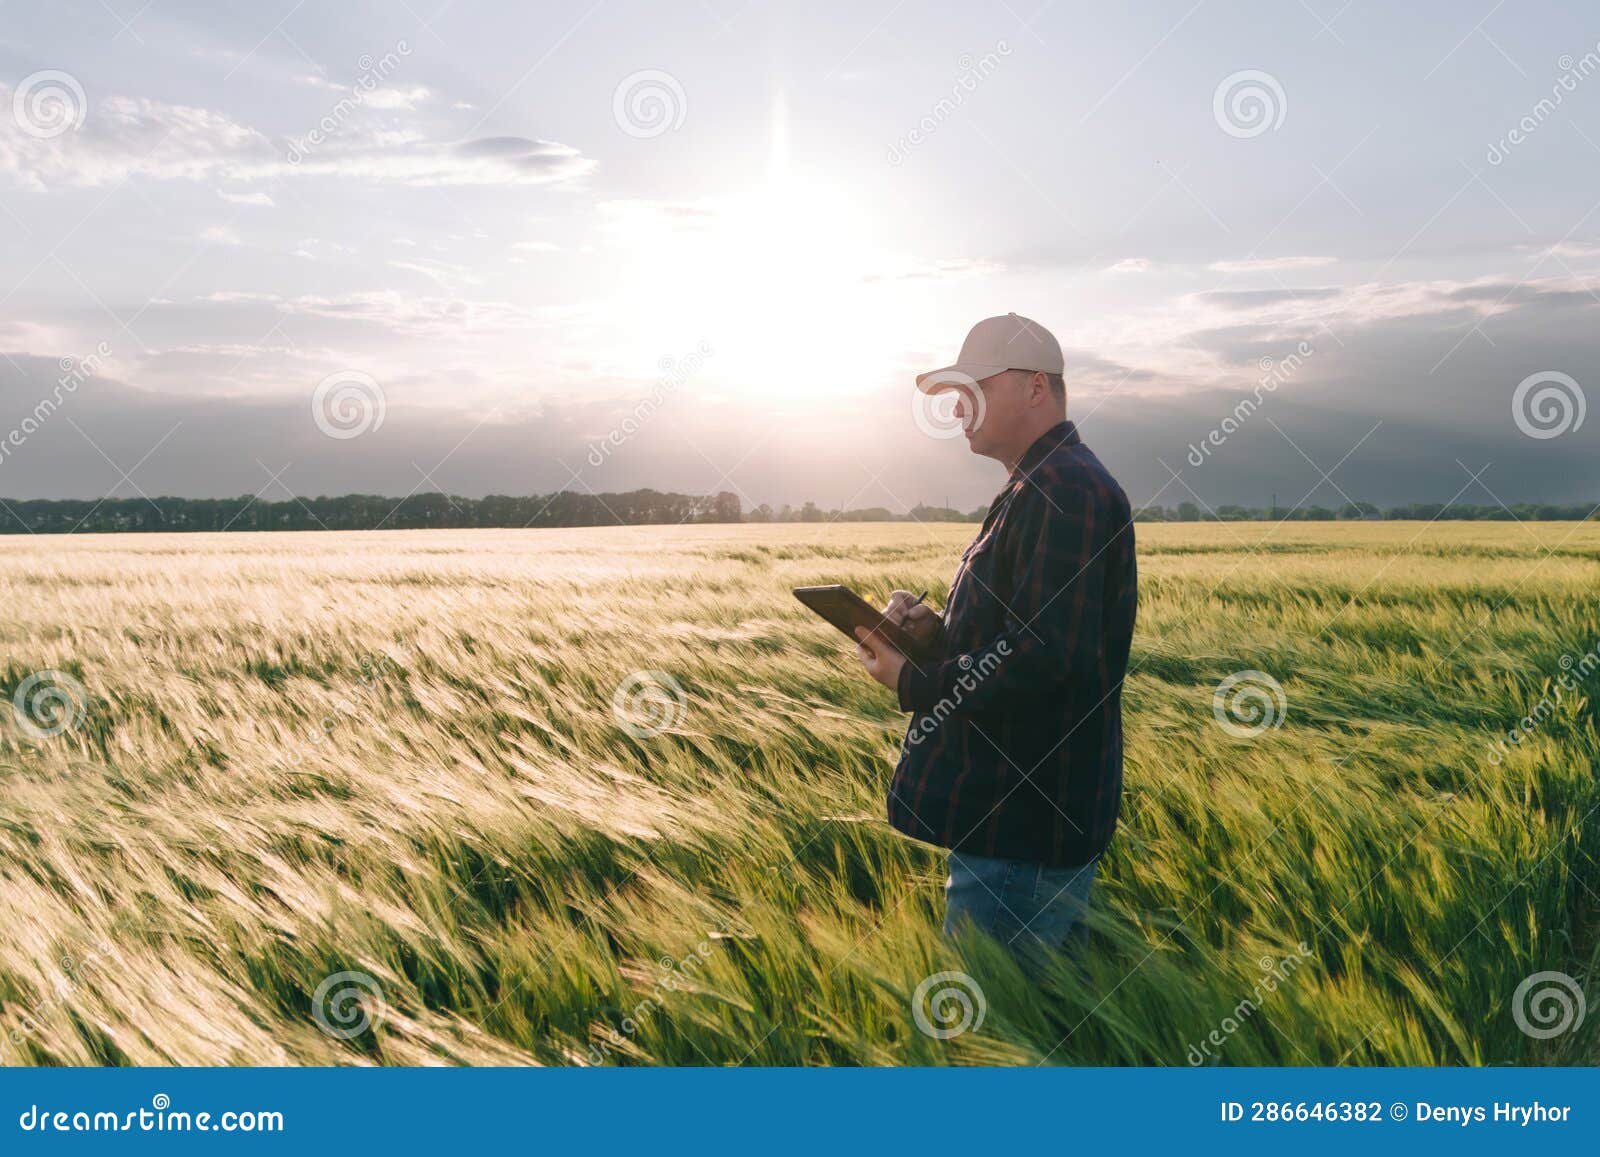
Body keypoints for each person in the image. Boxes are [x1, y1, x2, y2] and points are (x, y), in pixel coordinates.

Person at [853, 313, 1137, 965]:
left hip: (1021, 829)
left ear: (1036, 388)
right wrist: (936, 636)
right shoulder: (1040, 485)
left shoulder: (1064, 488)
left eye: (974, 387)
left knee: (986, 1045)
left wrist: (911, 679)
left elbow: (1044, 659)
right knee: (1042, 1034)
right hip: (1022, 826)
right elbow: (1029, 637)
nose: (957, 408)